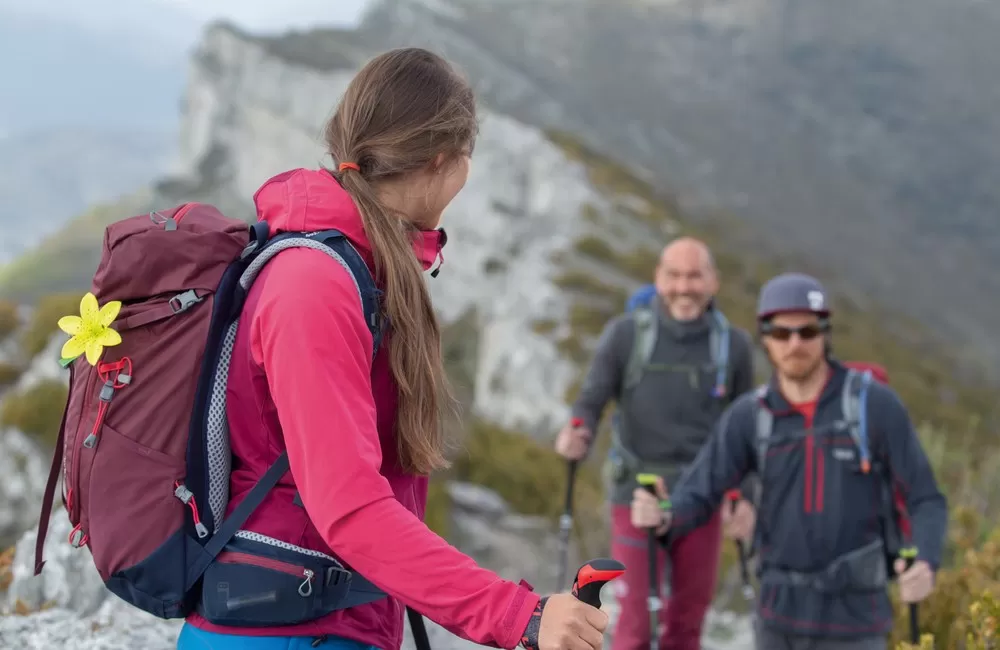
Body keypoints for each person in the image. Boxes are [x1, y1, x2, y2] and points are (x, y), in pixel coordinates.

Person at [176, 48, 608, 650]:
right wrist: (521, 616)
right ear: (441, 162)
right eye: (467, 157)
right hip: (287, 631)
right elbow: (348, 508)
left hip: (319, 623)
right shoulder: (314, 285)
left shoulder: (360, 270)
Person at [631, 272, 949, 649]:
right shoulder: (750, 415)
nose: (795, 344)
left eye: (808, 332)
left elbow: (925, 498)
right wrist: (664, 514)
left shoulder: (873, 405)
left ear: (825, 333)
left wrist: (926, 562)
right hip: (778, 621)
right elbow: (701, 491)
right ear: (765, 338)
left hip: (857, 621)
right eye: (782, 333)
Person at [555, 237, 757, 650]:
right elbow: (591, 399)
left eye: (695, 276)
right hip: (635, 495)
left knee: (686, 623)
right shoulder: (626, 335)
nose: (684, 287)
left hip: (702, 498)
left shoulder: (733, 346)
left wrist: (744, 493)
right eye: (675, 276)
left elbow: (745, 431)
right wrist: (578, 429)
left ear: (713, 281)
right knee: (635, 626)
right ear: (659, 279)